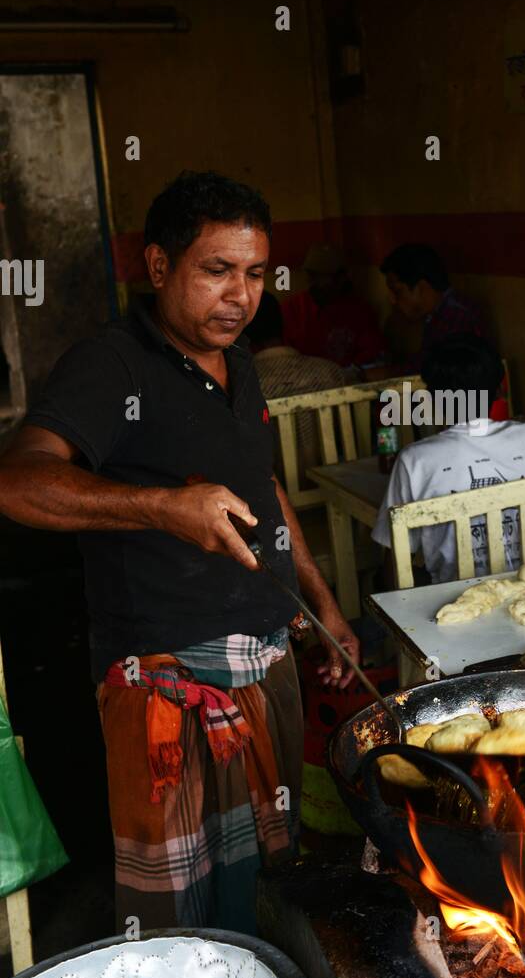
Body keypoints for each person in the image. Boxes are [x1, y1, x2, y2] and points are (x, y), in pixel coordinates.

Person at [0, 170, 359, 936]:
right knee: (185, 909)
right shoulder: (113, 364)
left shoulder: (241, 356)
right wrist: (161, 507)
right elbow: (17, 481)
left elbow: (259, 483)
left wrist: (322, 604)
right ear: (159, 267)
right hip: (169, 686)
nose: (239, 296)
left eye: (255, 274)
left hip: (268, 658)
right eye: (216, 271)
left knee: (269, 876)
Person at [372, 335, 525, 583]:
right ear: (499, 390)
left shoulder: (415, 461)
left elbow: (395, 556)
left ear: (434, 398)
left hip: (458, 605)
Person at [245, 290, 344, 480]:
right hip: (331, 482)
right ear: (283, 325)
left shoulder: (244, 385)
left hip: (277, 492)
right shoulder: (331, 372)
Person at [281, 242, 384, 371]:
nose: (313, 282)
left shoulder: (359, 311)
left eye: (321, 276)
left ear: (341, 278)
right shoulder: (292, 308)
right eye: (311, 275)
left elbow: (372, 354)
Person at [380, 243, 485, 369]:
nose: (393, 300)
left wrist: (389, 375)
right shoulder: (438, 314)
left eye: (398, 291)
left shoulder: (456, 318)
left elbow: (436, 374)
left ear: (422, 288)